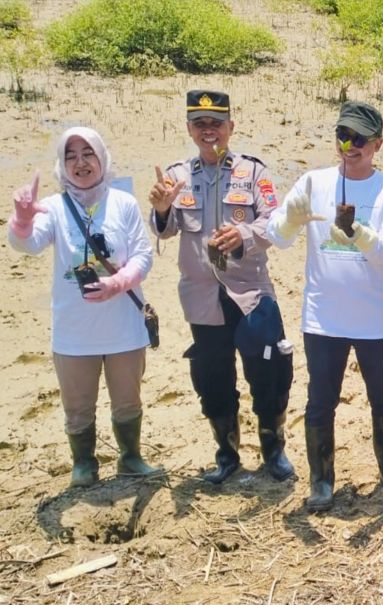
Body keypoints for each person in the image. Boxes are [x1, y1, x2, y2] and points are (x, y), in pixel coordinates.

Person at [267, 100, 383, 512]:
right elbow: (277, 237)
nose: (350, 146)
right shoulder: (313, 182)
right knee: (320, 400)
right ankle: (321, 480)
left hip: (377, 319)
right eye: (343, 136)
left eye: (360, 140)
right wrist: (291, 221)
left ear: (378, 144)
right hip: (324, 318)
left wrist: (356, 233)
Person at [148, 90, 294, 484]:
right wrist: (162, 208)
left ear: (231, 126)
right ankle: (227, 454)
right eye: (200, 124)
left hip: (250, 292)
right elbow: (166, 230)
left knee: (269, 370)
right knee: (212, 378)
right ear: (190, 129)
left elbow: (274, 222)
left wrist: (244, 234)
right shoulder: (177, 177)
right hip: (201, 297)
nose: (209, 131)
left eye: (216, 124)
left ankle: (273, 449)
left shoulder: (254, 172)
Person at [9, 127, 161, 487]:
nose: (80, 162)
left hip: (123, 326)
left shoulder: (123, 203)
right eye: (70, 155)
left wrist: (117, 283)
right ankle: (84, 464)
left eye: (88, 153)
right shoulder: (53, 207)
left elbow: (142, 254)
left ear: (102, 158)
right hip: (74, 331)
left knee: (128, 401)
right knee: (78, 406)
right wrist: (23, 219)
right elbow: (25, 245)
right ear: (62, 165)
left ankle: (131, 457)